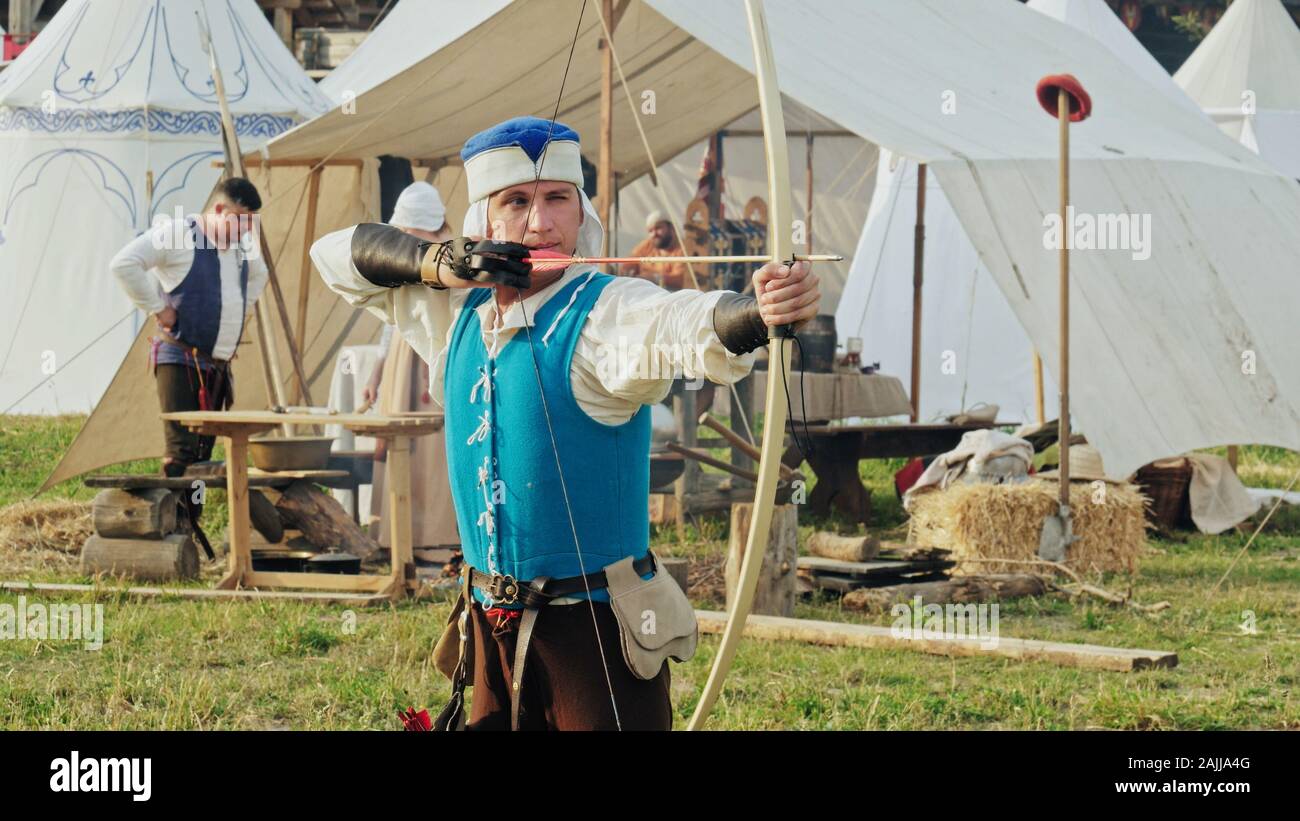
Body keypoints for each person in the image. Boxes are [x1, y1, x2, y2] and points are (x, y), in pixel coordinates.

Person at [311, 116, 820, 730]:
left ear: (582, 215)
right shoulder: (456, 315)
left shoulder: (605, 312)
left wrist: (759, 311)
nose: (539, 222)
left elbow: (681, 324)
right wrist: (441, 264)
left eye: (558, 199)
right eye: (516, 203)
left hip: (593, 634)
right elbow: (333, 255)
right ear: (483, 222)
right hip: (488, 622)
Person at [110, 177, 266, 477]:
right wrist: (158, 308)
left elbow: (260, 273)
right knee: (182, 458)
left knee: (203, 457)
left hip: (217, 368)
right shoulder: (178, 234)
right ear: (220, 209)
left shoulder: (241, 244)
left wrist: (240, 311)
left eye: (250, 222)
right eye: (241, 220)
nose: (247, 229)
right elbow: (124, 263)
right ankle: (174, 523)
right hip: (181, 360)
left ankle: (192, 523)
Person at [361, 182, 461, 555]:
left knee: (434, 449)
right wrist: (377, 372)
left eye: (408, 229)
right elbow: (392, 320)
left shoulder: (454, 254)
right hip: (403, 360)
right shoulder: (403, 254)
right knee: (402, 444)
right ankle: (397, 536)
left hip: (437, 352)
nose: (402, 236)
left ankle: (437, 540)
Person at [620, 210, 693, 290]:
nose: (654, 234)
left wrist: (655, 278)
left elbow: (679, 280)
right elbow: (630, 261)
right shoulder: (648, 245)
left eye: (658, 228)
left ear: (671, 228)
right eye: (650, 231)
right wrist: (627, 270)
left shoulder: (683, 248)